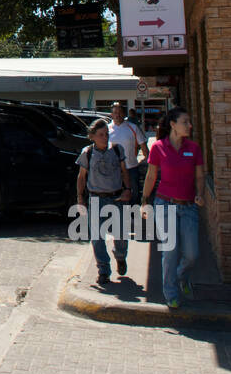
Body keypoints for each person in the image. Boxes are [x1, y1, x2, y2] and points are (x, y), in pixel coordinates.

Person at [142, 106, 204, 309]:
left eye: (189, 121)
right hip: (165, 204)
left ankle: (181, 275)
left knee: (192, 254)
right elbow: (151, 175)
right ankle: (170, 293)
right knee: (170, 252)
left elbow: (200, 176)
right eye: (185, 121)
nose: (189, 125)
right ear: (173, 125)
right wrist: (144, 201)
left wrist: (200, 194)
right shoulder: (158, 147)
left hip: (188, 207)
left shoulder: (194, 148)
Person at [76, 119, 132, 285]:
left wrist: (128, 189)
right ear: (92, 136)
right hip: (96, 198)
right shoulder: (87, 153)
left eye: (106, 134)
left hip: (116, 197)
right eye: (100, 135)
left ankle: (120, 256)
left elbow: (124, 171)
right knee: (97, 236)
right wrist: (80, 197)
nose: (104, 137)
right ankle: (103, 269)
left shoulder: (116, 149)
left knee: (121, 233)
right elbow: (81, 176)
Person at [107, 102, 148, 204]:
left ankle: (133, 217)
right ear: (111, 115)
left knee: (133, 196)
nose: (118, 115)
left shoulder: (133, 128)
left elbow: (144, 148)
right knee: (114, 198)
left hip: (131, 169)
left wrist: (145, 161)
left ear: (124, 114)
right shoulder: (106, 130)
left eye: (120, 112)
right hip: (113, 170)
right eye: (115, 112)